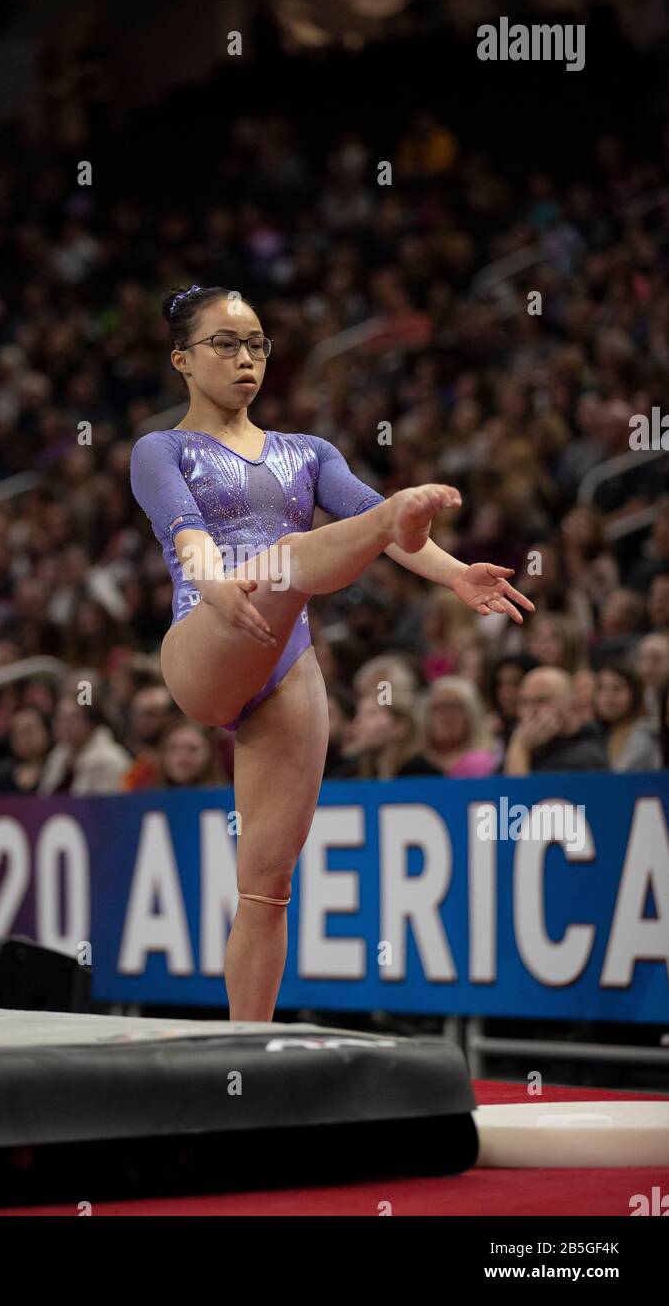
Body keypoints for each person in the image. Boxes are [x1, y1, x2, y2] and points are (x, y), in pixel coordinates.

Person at [130, 284, 534, 1020]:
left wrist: (453, 575)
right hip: (206, 637)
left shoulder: (307, 453)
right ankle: (384, 525)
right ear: (182, 359)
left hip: (287, 661)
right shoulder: (161, 449)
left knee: (267, 883)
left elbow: (356, 511)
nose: (246, 357)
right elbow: (185, 530)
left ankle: (244, 1057)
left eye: (256, 343)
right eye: (226, 344)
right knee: (289, 555)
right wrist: (214, 584)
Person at [504, 666, 608, 775]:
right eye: (524, 702)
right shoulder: (534, 747)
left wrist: (520, 749)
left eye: (541, 701)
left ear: (571, 704)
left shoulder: (587, 757)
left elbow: (519, 791)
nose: (531, 711)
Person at [37, 697, 130, 796]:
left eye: (73, 718)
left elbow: (109, 805)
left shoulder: (110, 759)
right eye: (61, 718)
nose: (65, 725)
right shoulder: (57, 755)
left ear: (90, 722)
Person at [418, 675, 501, 777]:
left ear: (471, 714)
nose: (446, 715)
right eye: (438, 707)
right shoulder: (414, 764)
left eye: (453, 707)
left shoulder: (484, 762)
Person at [594, 663, 662, 772]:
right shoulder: (596, 733)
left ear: (635, 693)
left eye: (617, 689)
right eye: (601, 688)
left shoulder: (648, 736)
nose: (608, 696)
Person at [153, 719, 226, 788]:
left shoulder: (228, 798)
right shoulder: (148, 797)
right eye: (173, 748)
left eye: (192, 749)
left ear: (210, 755)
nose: (182, 755)